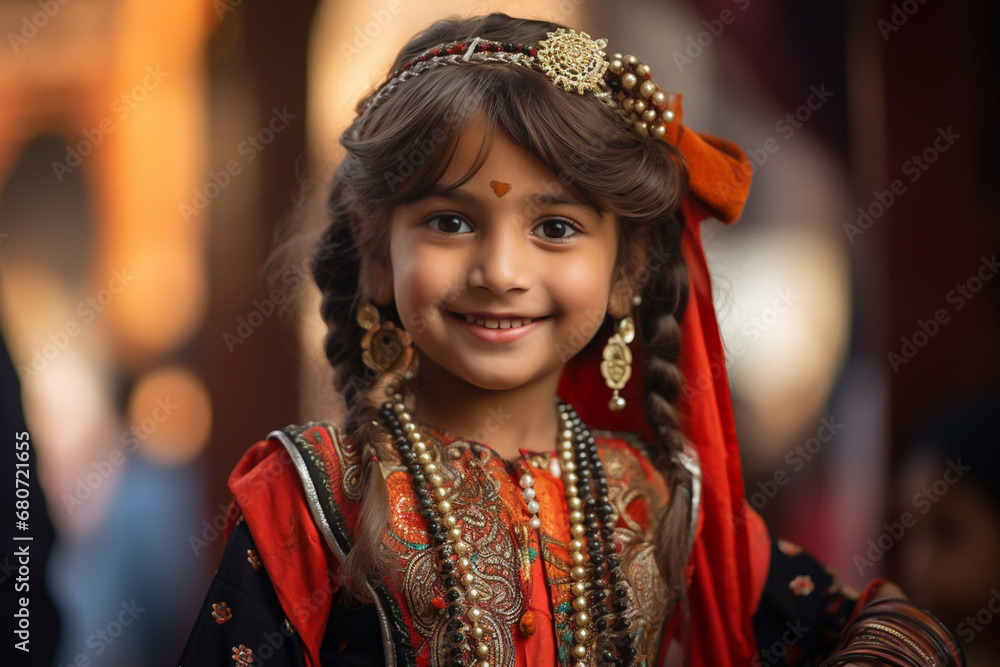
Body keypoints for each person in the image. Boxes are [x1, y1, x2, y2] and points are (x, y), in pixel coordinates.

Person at [178, 13, 964, 667]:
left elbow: (897, 626)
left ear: (626, 271)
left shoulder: (656, 503)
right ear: (378, 254)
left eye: (555, 227)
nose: (501, 270)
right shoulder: (310, 496)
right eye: (450, 221)